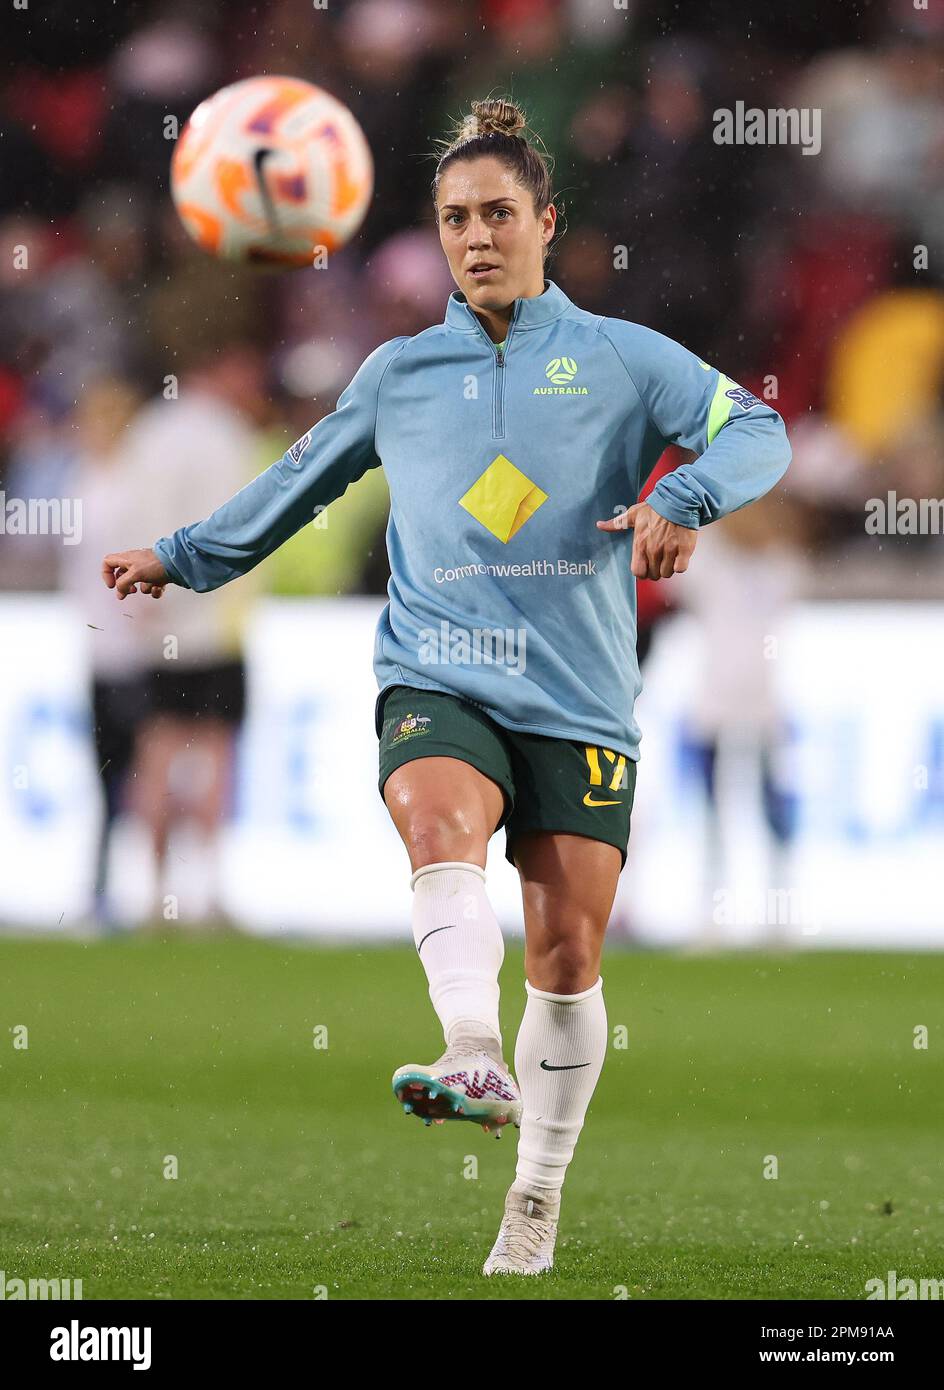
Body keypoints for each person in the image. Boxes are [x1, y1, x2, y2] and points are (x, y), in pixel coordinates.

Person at [101, 98, 791, 1276]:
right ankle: (470, 1046)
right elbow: (300, 479)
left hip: (577, 697)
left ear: (546, 222)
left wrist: (679, 499)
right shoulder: (398, 373)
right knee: (433, 817)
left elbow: (757, 430)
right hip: (436, 670)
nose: (476, 236)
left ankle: (534, 1193)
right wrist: (186, 553)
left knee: (566, 954)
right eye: (455, 218)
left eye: (498, 214)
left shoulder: (623, 361)